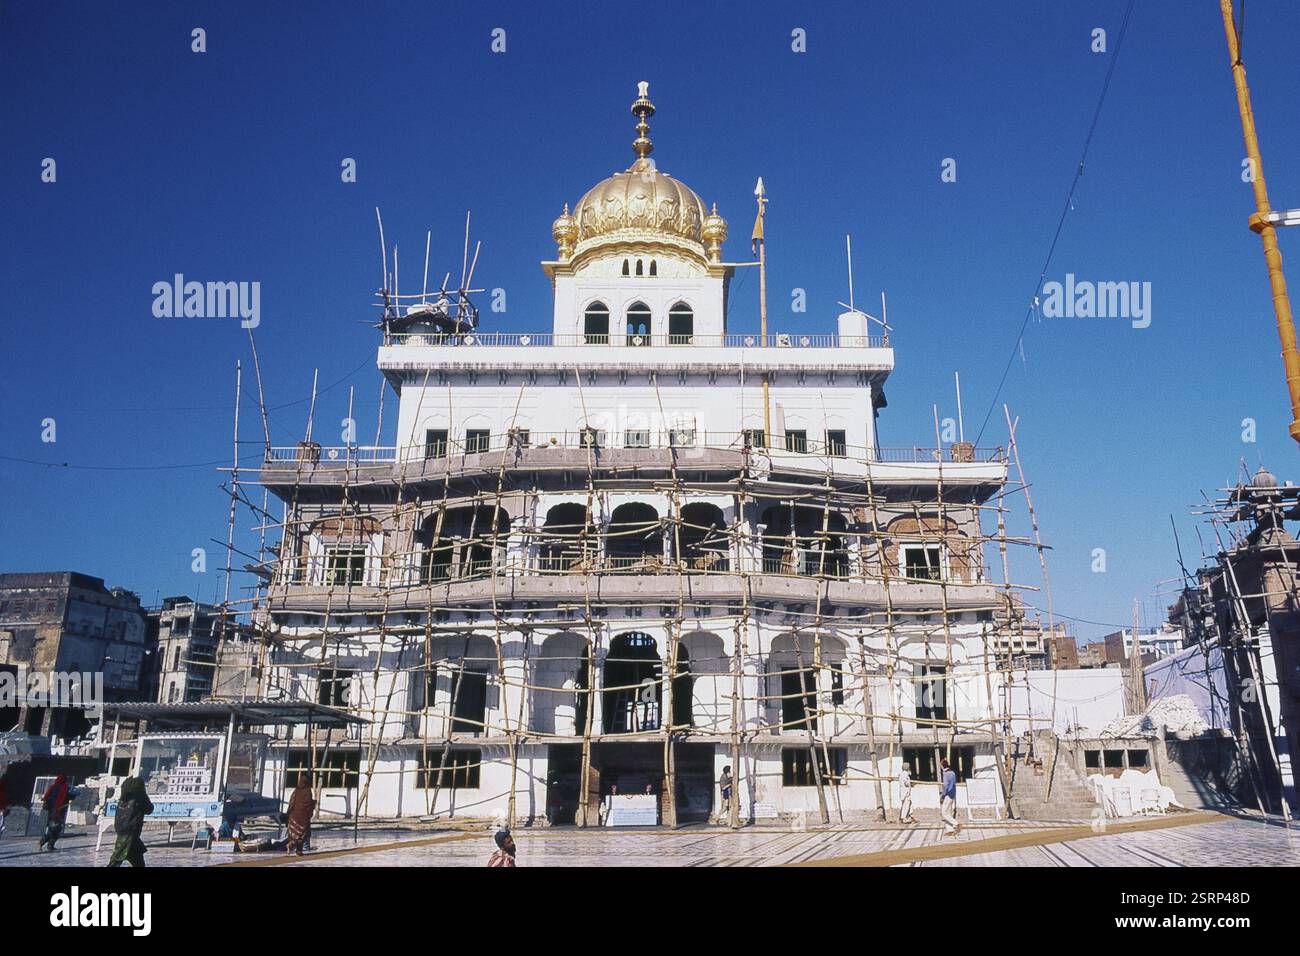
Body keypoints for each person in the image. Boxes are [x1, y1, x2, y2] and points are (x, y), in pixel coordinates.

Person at [107, 775, 153, 868]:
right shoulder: (139, 796)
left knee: (137, 857)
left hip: (122, 829)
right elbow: (149, 808)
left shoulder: (123, 797)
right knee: (117, 858)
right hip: (131, 831)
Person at [38, 774, 75, 851]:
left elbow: (45, 797)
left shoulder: (53, 787)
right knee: (56, 828)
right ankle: (45, 842)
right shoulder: (65, 788)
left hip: (51, 810)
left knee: (52, 827)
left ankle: (47, 843)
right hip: (60, 810)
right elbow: (71, 796)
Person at [284, 773, 316, 856]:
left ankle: (291, 845)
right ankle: (298, 850)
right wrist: (313, 803)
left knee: (294, 833)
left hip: (294, 815)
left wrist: (288, 813)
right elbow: (308, 803)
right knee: (302, 834)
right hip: (303, 817)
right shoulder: (307, 791)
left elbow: (291, 802)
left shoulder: (296, 790)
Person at [939, 758, 960, 837]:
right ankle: (950, 830)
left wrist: (943, 796)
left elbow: (945, 786)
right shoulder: (952, 772)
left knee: (944, 813)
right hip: (953, 794)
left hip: (947, 794)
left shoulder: (945, 773)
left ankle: (956, 823)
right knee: (949, 812)